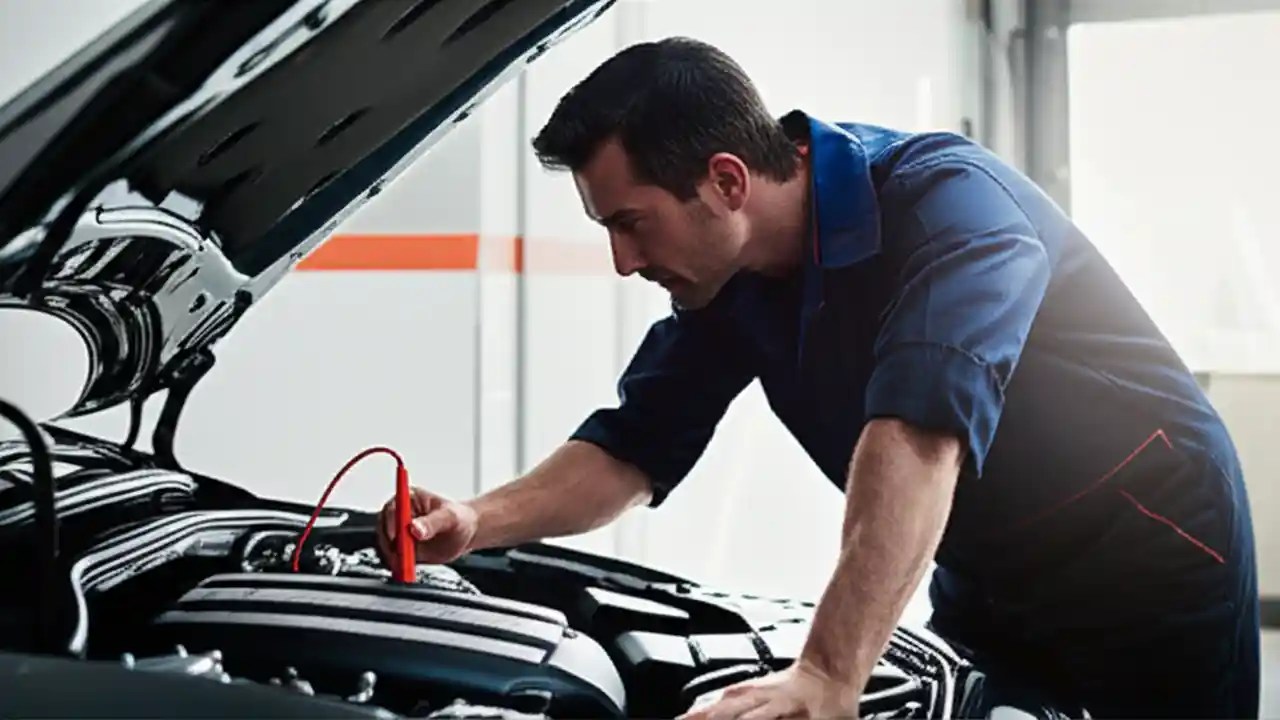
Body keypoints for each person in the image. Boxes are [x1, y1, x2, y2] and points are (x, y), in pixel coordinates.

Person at [375, 37, 1260, 719]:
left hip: (1147, 537)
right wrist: (477, 522)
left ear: (725, 180)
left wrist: (831, 673)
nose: (621, 260)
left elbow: (918, 434)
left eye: (633, 224)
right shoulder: (729, 285)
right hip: (983, 558)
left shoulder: (952, 206)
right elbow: (628, 449)